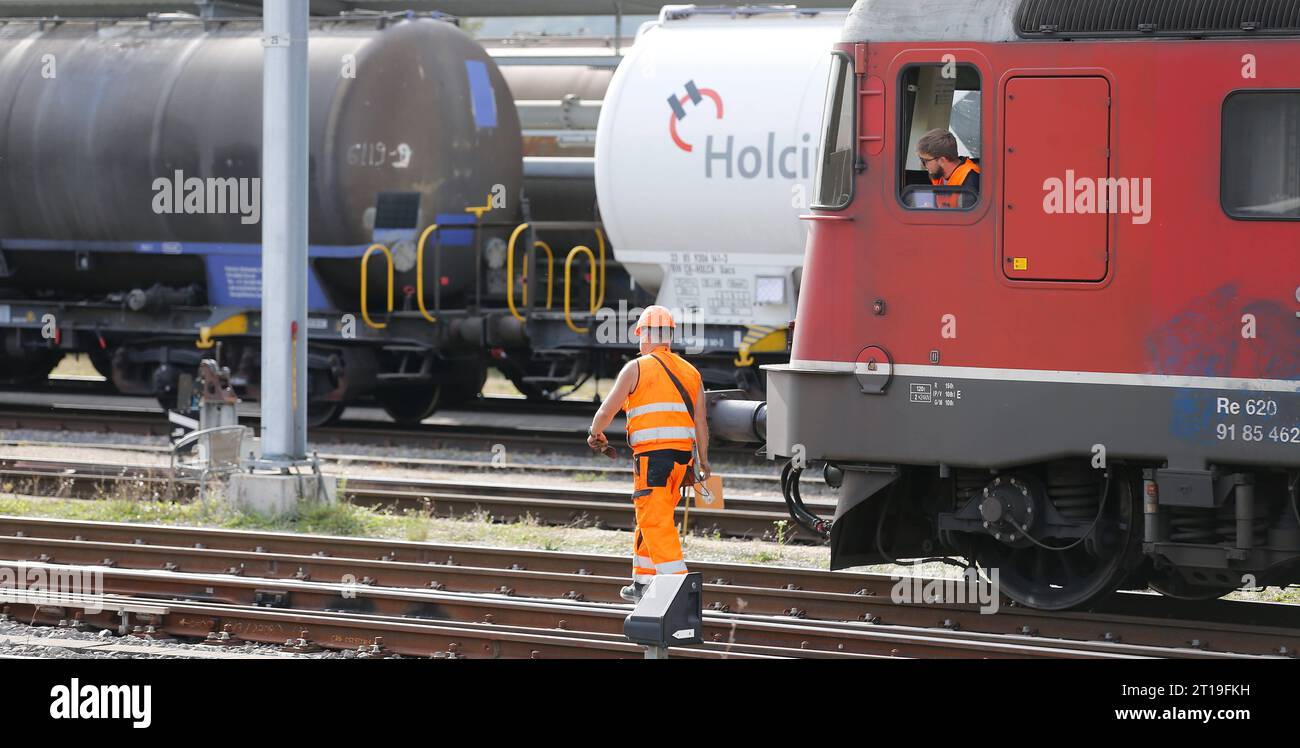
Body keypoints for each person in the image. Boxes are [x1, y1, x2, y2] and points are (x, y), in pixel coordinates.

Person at [586, 305, 710, 603]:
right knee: (653, 515)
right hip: (683, 461)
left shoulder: (636, 368)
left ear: (643, 336)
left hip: (654, 460)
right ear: (669, 337)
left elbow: (606, 411)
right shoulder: (691, 372)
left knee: (655, 520)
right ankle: (643, 581)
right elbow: (701, 424)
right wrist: (704, 461)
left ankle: (676, 586)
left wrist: (594, 433)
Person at [917, 128, 980, 208]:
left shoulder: (971, 180)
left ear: (942, 160)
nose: (922, 165)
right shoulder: (939, 176)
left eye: (925, 161)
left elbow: (968, 219)